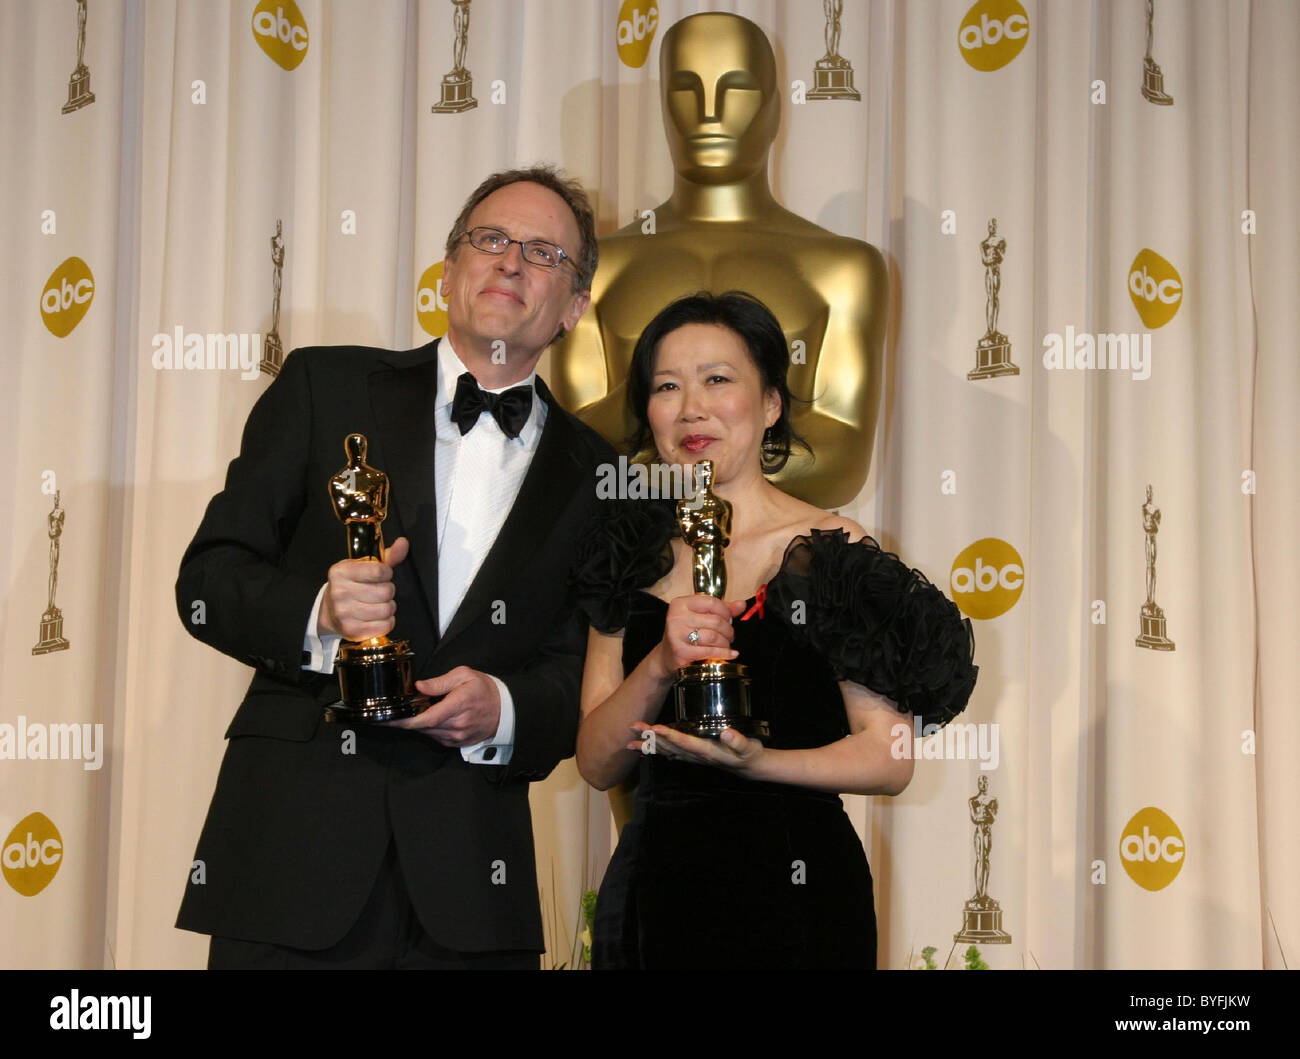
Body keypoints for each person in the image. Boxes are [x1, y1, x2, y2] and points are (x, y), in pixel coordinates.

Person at [176, 165, 612, 969]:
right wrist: (319, 612)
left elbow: (578, 675)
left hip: (472, 891)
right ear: (448, 271)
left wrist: (504, 709)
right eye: (490, 239)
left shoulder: (600, 473)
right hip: (290, 860)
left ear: (576, 306)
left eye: (544, 252)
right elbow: (207, 580)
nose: (510, 262)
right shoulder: (324, 384)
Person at [573, 292, 977, 969]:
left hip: (799, 893)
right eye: (666, 386)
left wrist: (762, 764)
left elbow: (890, 754)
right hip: (655, 900)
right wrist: (660, 665)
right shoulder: (627, 550)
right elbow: (596, 758)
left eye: (717, 379)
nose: (691, 406)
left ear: (770, 405)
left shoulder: (831, 549)